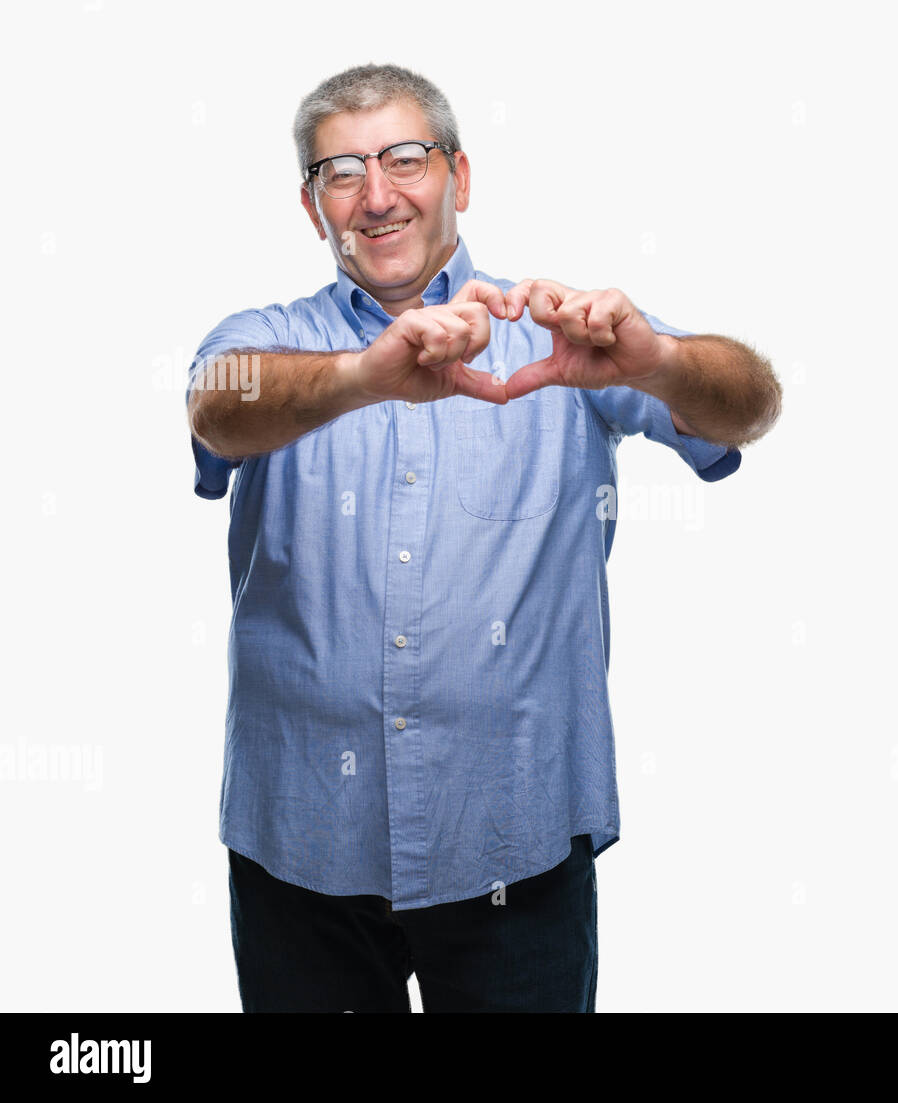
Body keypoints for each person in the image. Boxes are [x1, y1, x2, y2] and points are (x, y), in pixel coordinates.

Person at [186, 62, 781, 1013]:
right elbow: (216, 409)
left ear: (460, 179)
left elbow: (747, 406)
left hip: (517, 846)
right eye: (342, 172)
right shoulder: (271, 341)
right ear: (313, 207)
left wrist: (661, 361)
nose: (376, 196)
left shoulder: (562, 339)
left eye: (405, 158)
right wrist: (364, 375)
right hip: (302, 855)